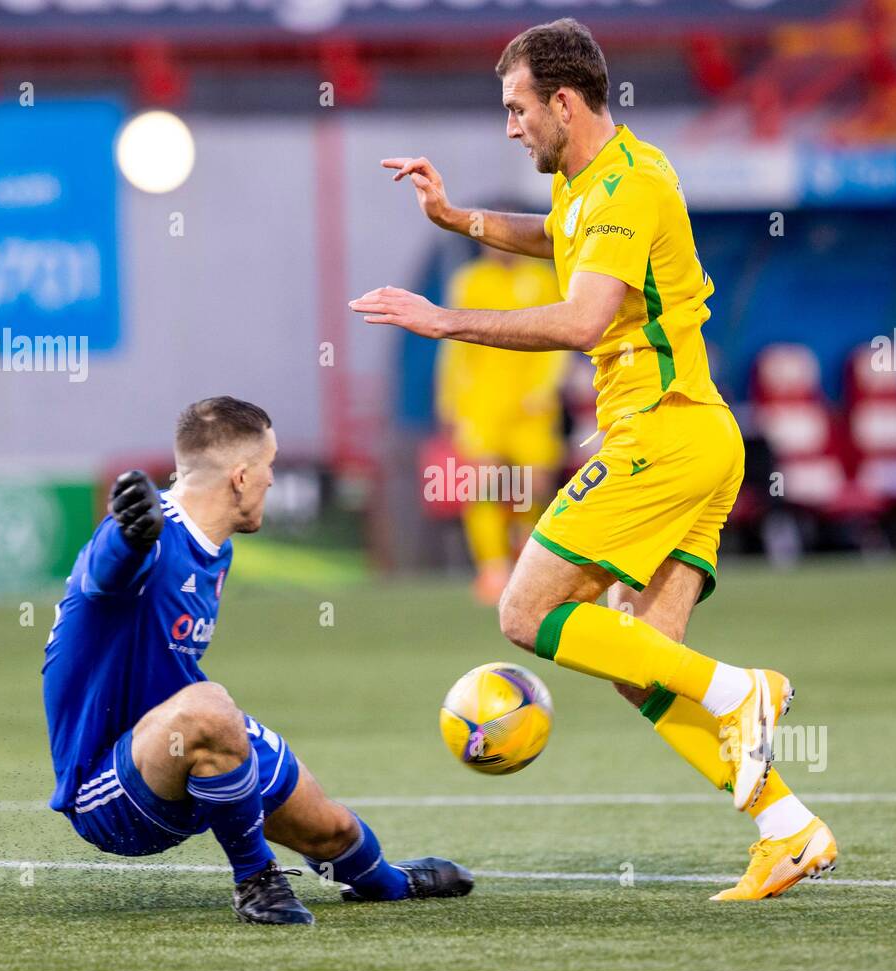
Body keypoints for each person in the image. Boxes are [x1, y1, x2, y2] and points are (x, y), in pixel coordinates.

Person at [351, 18, 836, 901]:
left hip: (660, 432)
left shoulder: (626, 186)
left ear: (563, 102)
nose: (510, 126)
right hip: (695, 437)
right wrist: (457, 217)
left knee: (526, 612)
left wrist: (443, 320)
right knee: (640, 658)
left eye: (517, 108)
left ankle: (741, 688)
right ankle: (786, 828)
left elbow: (578, 321)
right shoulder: (592, 184)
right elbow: (558, 236)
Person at [42, 396, 472, 924]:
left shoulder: (215, 547)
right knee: (210, 707)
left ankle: (389, 882)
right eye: (269, 464)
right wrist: (128, 539)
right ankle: (256, 880)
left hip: (181, 744)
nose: (272, 478)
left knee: (331, 830)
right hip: (110, 791)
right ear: (242, 477)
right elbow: (105, 579)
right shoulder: (149, 531)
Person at [436, 240, 569, 604]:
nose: (497, 245)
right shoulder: (470, 281)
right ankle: (493, 568)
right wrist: (449, 399)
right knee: (485, 484)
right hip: (482, 404)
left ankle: (529, 557)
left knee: (534, 485)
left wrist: (546, 387)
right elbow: (455, 343)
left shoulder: (541, 278)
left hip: (531, 406)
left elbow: (559, 336)